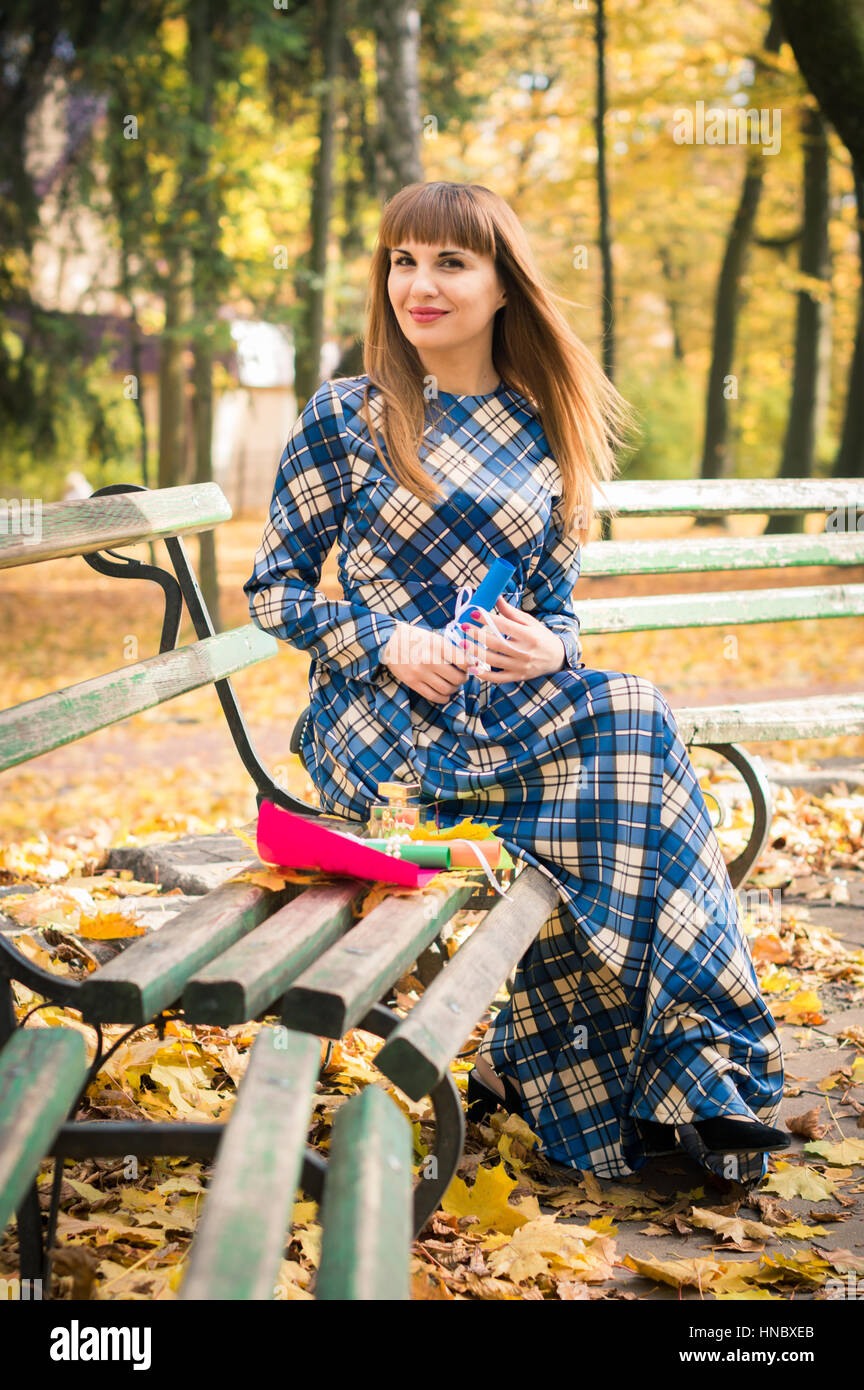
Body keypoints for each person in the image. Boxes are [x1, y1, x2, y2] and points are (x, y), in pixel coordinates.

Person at [244, 180, 787, 1185]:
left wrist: (551, 648)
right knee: (640, 741)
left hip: (510, 721)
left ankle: (678, 1085)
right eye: (403, 260)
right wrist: (385, 640)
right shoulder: (348, 414)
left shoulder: (545, 426)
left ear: (504, 286)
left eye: (450, 262)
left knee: (635, 764)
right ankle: (700, 1085)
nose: (420, 283)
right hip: (379, 737)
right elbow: (270, 593)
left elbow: (557, 610)